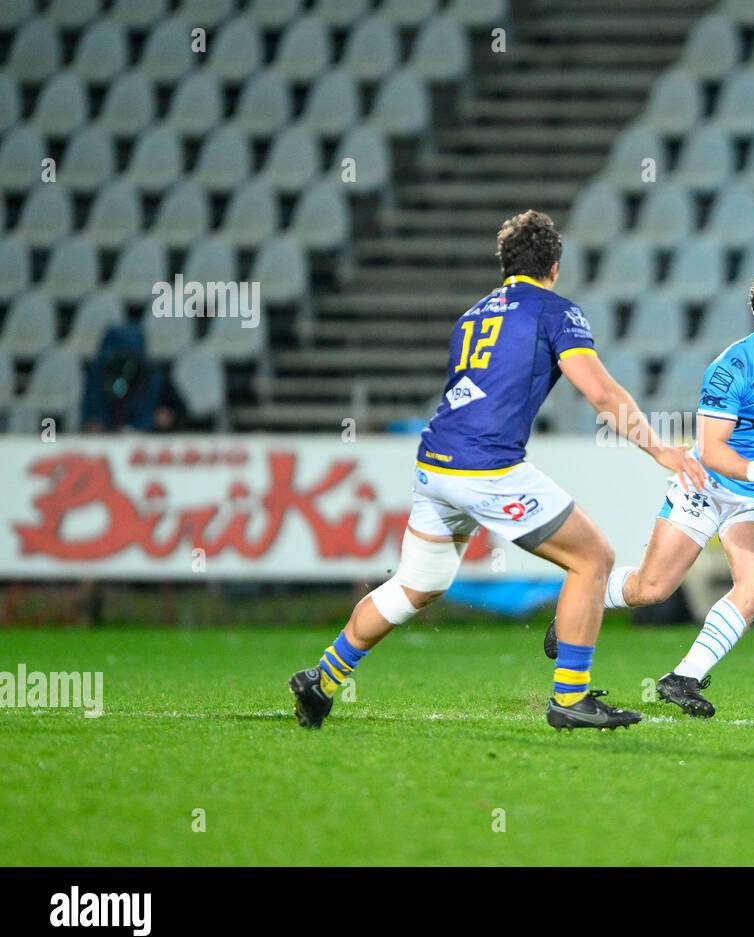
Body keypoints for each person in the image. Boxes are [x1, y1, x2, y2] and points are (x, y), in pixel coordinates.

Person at [289, 210, 706, 730]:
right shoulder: (556, 312)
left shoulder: (471, 315)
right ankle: (570, 699)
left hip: (435, 463)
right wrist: (660, 449)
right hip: (486, 467)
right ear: (554, 267)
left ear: (505, 266)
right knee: (593, 558)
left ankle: (322, 679)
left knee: (417, 584)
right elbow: (600, 392)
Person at [546, 271, 754, 717]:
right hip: (708, 483)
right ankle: (574, 609)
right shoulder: (732, 368)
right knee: (651, 588)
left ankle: (683, 677)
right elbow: (710, 448)